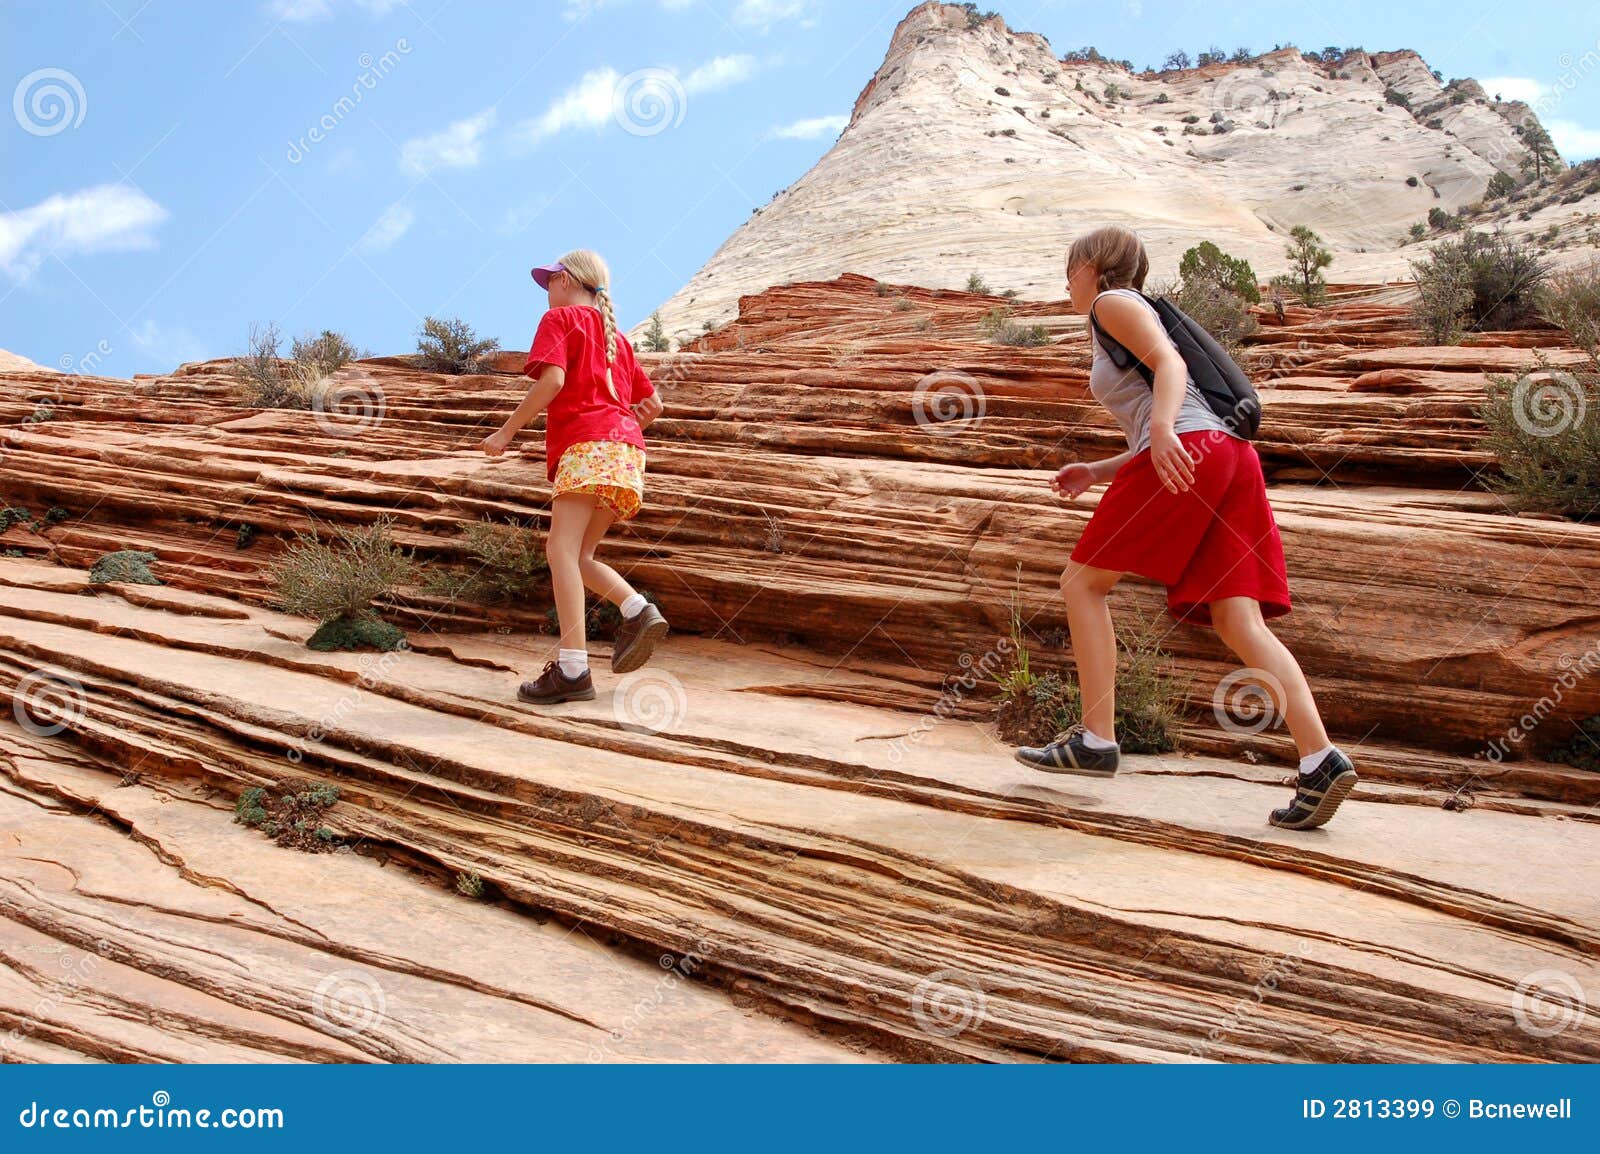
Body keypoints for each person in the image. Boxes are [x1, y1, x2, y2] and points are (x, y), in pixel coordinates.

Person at [1013, 225, 1356, 831]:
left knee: (1082, 584)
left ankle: (1096, 739)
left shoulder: (1110, 303)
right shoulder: (1128, 311)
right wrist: (1099, 469)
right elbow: (1173, 407)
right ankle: (1320, 759)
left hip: (1192, 448)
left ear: (1093, 266)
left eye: (1070, 268)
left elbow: (1169, 367)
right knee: (1237, 620)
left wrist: (1164, 430)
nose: (1066, 281)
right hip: (1228, 456)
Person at [480, 249, 667, 704]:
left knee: (559, 550)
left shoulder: (560, 320)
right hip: (626, 453)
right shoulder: (616, 338)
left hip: (586, 446)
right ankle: (636, 609)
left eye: (549, 281)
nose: (546, 290)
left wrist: (506, 432)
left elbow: (552, 382)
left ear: (565, 280)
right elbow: (654, 405)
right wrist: (622, 429)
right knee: (581, 555)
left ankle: (572, 670)